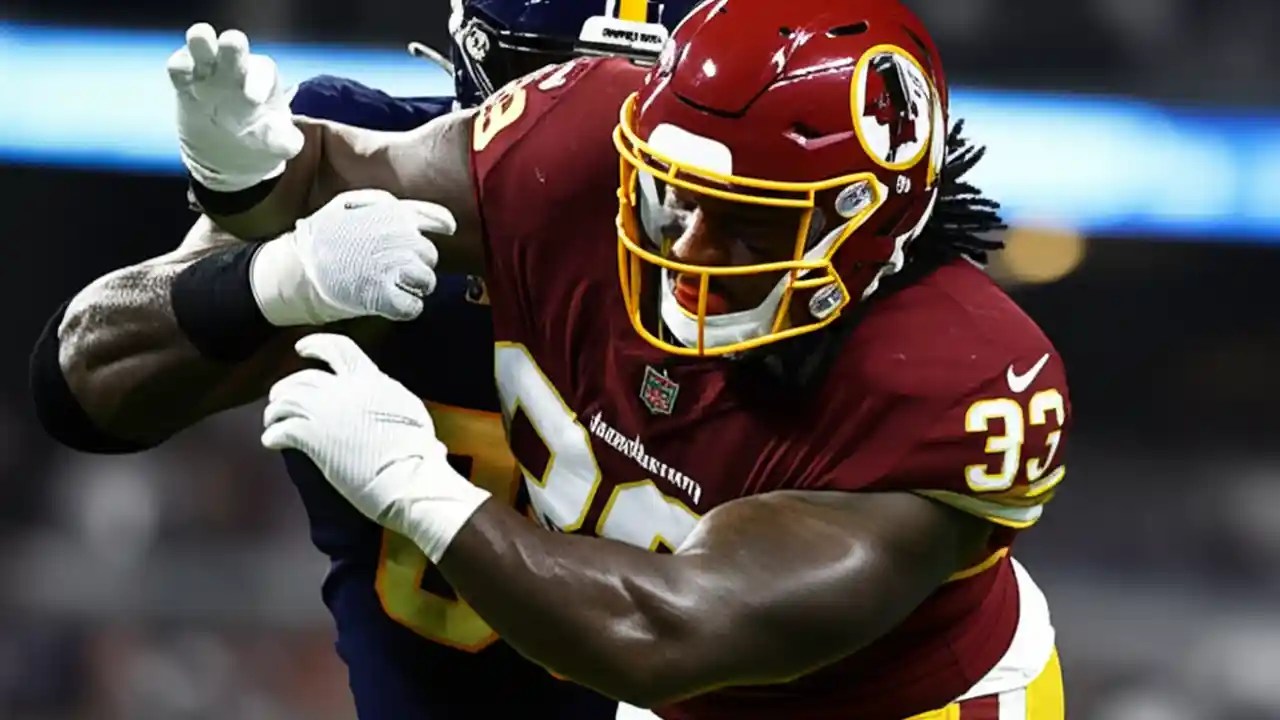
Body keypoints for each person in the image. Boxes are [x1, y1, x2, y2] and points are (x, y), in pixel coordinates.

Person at [29, 2, 698, 717]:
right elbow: (83, 387)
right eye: (556, 84)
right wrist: (283, 277)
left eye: (634, 97)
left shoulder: (756, 237)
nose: (585, 131)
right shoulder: (375, 172)